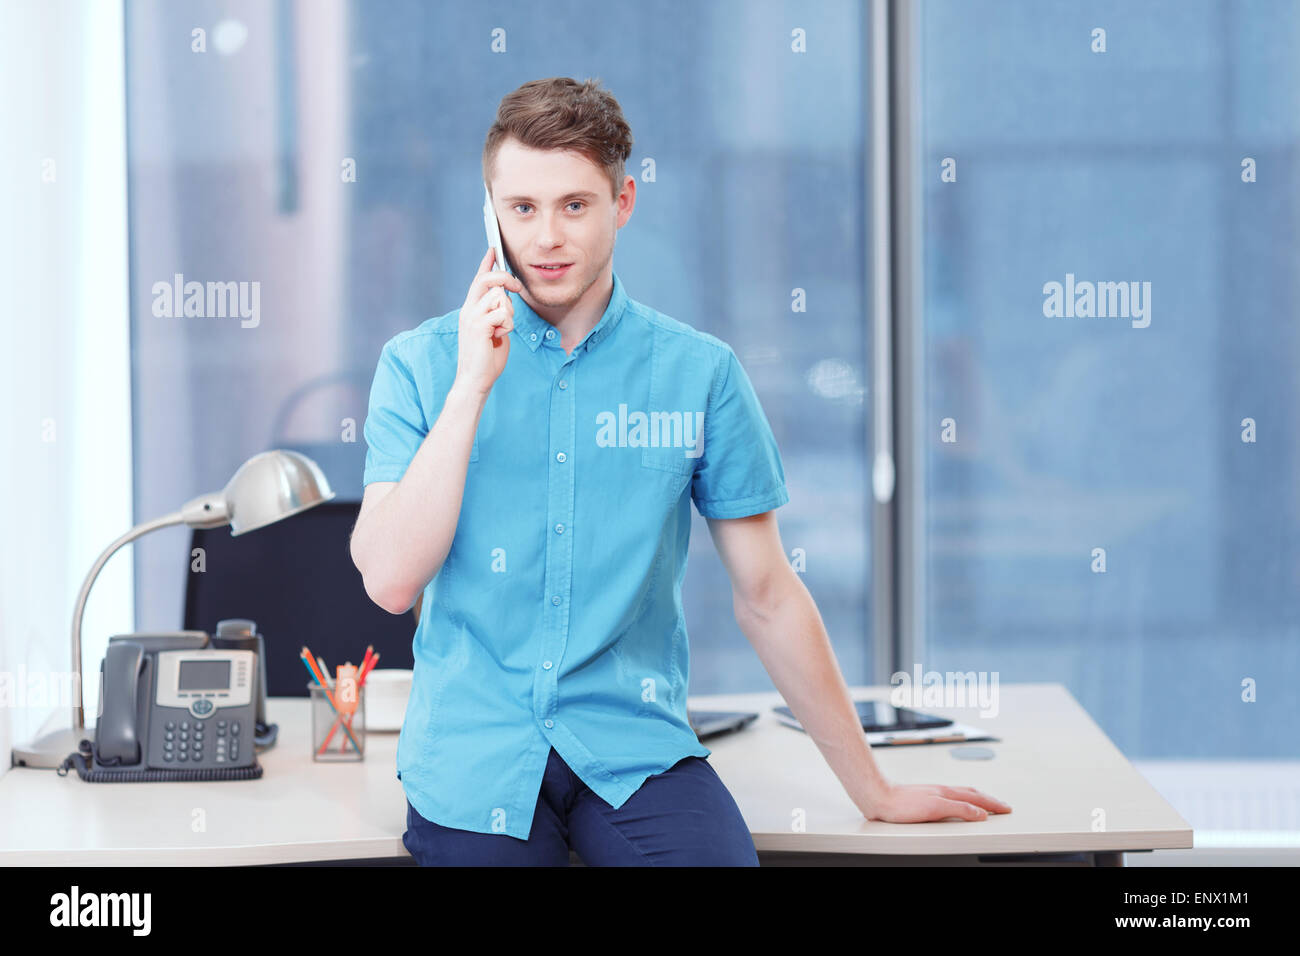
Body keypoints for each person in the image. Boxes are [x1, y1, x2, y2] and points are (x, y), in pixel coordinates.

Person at [350, 76, 1011, 866]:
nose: (547, 237)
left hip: (633, 748)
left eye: (575, 205)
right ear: (489, 212)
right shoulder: (421, 366)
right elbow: (390, 582)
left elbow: (768, 596)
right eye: (521, 208)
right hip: (472, 755)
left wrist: (872, 789)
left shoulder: (700, 374)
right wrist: (471, 389)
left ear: (623, 202)